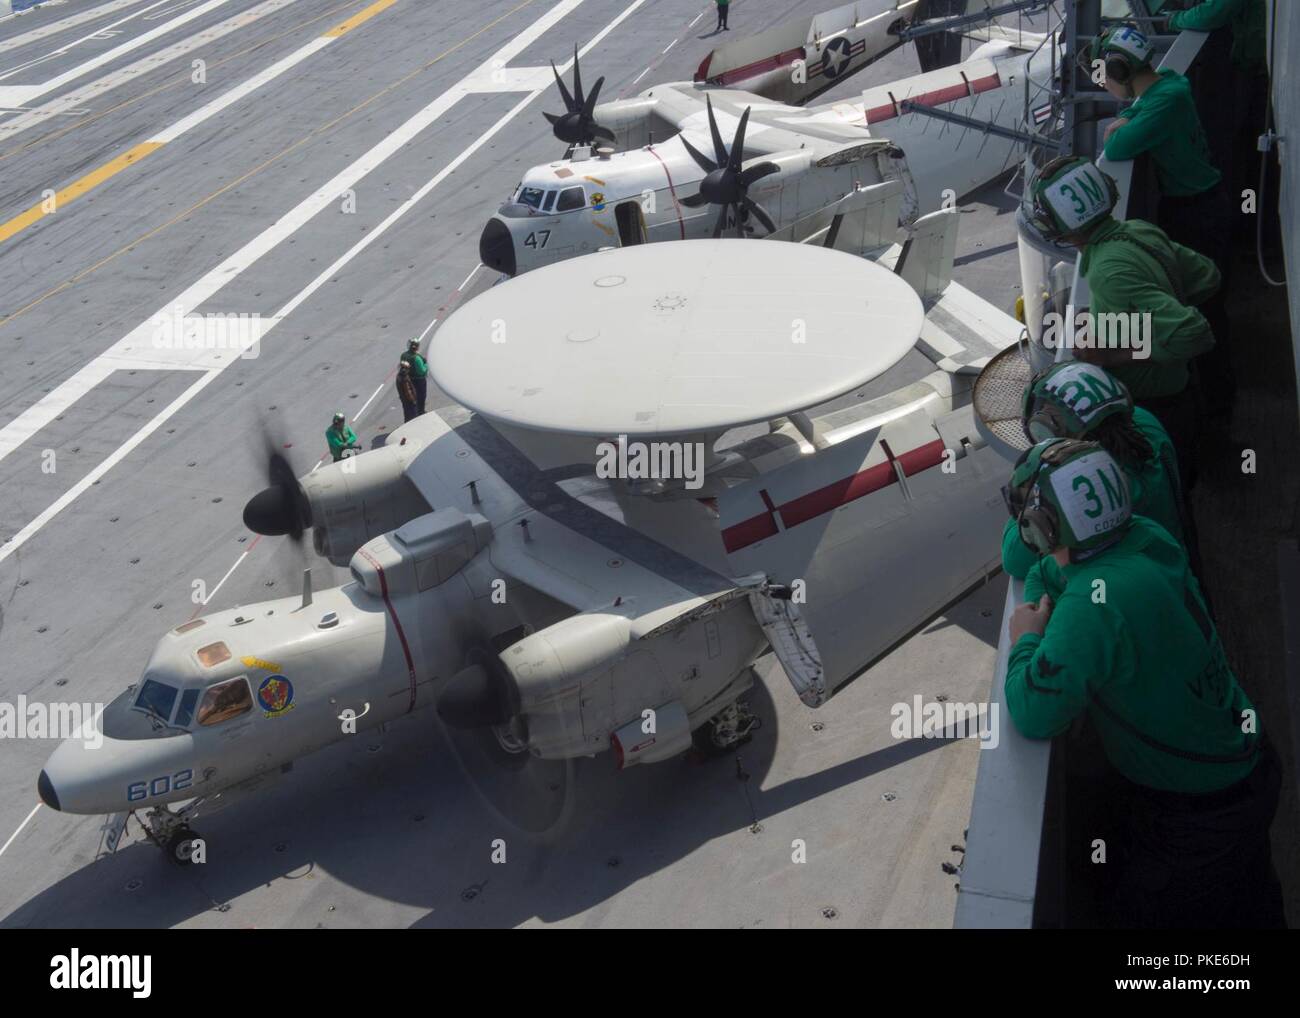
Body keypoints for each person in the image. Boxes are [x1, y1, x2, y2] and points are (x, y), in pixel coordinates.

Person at [1002, 438, 1284, 928]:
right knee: (1252, 898)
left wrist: (1026, 638)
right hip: (1244, 768)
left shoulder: (1092, 608)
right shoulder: (1145, 537)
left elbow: (1031, 709)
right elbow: (1049, 572)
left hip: (1197, 814)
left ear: (1044, 525)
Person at [1027, 155, 1221, 482]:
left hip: (1159, 408)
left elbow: (1194, 333)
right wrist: (1127, 324)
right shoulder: (1137, 231)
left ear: (1061, 227)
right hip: (1182, 389)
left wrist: (1112, 353)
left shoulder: (1108, 273)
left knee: (1172, 489)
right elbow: (1208, 276)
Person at [1094, 24, 1234, 415]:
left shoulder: (1166, 101)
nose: (1105, 85)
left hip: (1198, 212)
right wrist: (1134, 113)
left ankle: (1220, 403)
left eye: (1107, 76)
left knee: (1209, 311)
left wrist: (1127, 123)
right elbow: (1145, 105)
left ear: (1121, 72)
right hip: (1200, 203)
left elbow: (1118, 144)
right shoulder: (1167, 86)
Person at [1002, 361, 1190, 583]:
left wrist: (1032, 482)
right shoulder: (1144, 422)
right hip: (1175, 561)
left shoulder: (1094, 486)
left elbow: (1014, 558)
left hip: (1143, 586)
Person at [399, 339, 428, 415]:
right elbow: (422, 371)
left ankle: (416, 410)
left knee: (412, 394)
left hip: (410, 378)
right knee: (421, 396)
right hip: (419, 380)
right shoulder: (417, 358)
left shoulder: (403, 355)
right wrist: (426, 365)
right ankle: (421, 411)